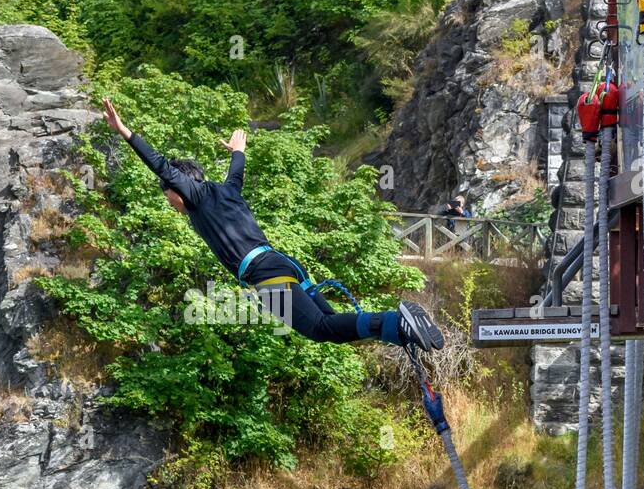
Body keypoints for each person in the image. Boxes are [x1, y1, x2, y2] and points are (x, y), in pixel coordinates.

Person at [102, 99, 442, 352]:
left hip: (264, 274)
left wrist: (124, 131)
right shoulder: (227, 191)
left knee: (319, 328)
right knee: (329, 330)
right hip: (283, 263)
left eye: (169, 196)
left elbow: (160, 165)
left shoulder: (197, 195)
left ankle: (396, 322)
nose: (170, 203)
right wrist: (239, 150)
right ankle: (400, 329)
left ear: (177, 189)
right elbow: (236, 173)